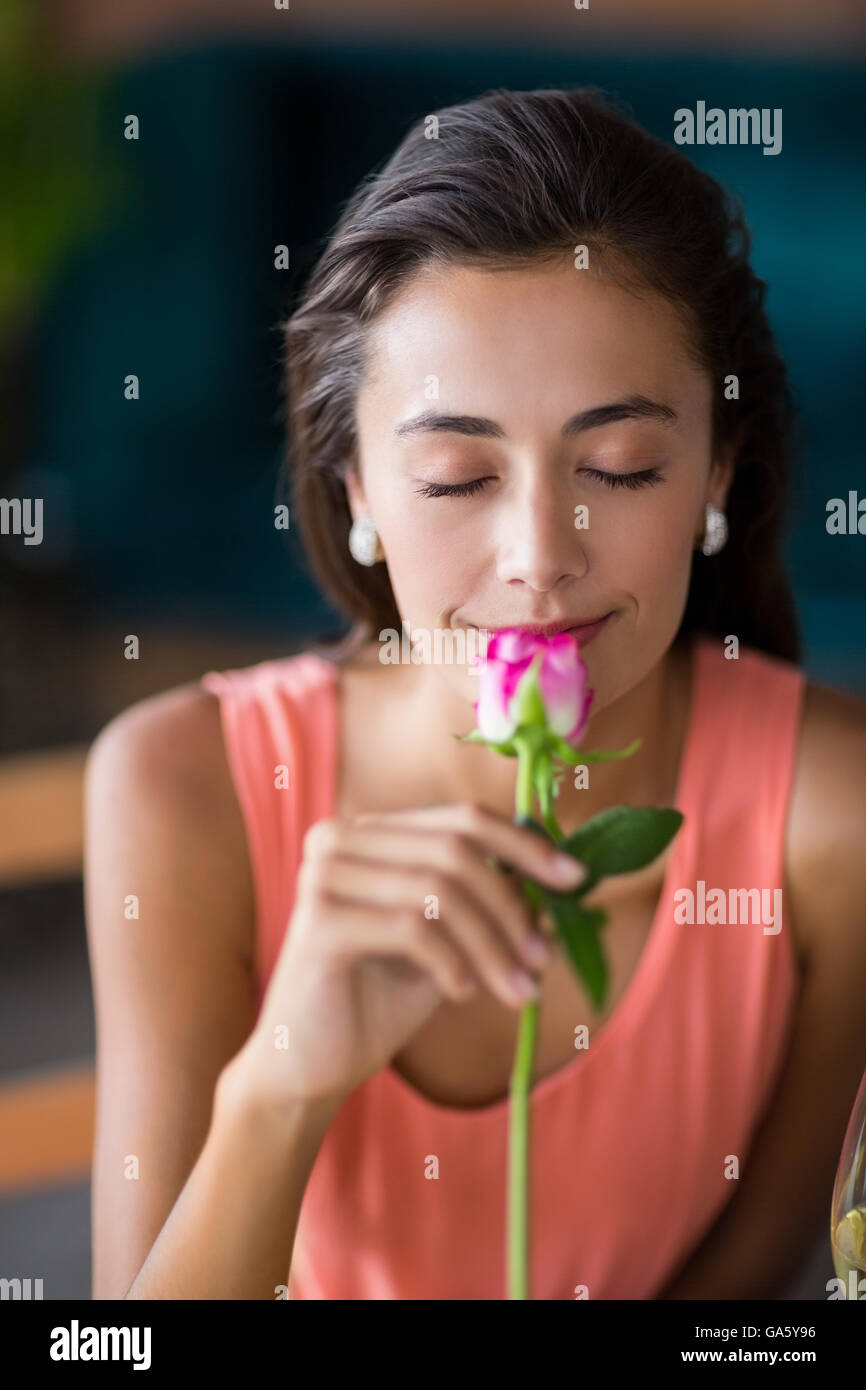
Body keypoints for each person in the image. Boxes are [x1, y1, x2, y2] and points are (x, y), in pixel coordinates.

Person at [84, 86, 866, 1300]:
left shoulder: (830, 814)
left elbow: (756, 1284)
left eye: (619, 466)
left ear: (717, 466)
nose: (539, 555)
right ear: (354, 490)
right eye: (455, 477)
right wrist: (281, 1085)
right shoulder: (182, 789)